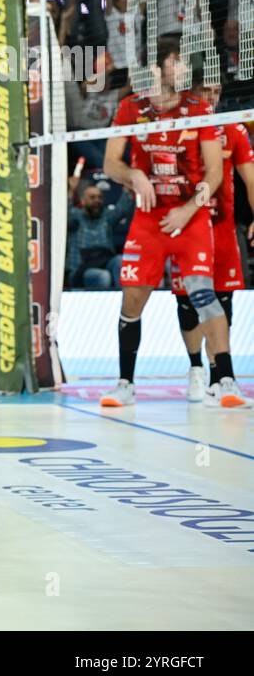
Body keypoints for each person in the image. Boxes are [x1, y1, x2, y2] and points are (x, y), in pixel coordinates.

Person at [99, 38, 248, 410]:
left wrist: (188, 210)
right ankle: (125, 383)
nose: (185, 70)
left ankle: (224, 378)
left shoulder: (199, 109)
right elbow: (109, 164)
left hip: (191, 215)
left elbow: (214, 174)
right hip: (149, 218)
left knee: (201, 291)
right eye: (178, 63)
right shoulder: (131, 108)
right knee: (133, 296)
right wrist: (133, 174)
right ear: (159, 68)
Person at [168, 84, 254, 402]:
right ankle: (196, 369)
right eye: (206, 90)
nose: (213, 96)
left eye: (217, 90)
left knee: (222, 303)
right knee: (189, 304)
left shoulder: (232, 129)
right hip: (186, 228)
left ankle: (221, 376)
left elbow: (251, 177)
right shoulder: (175, 126)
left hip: (222, 231)